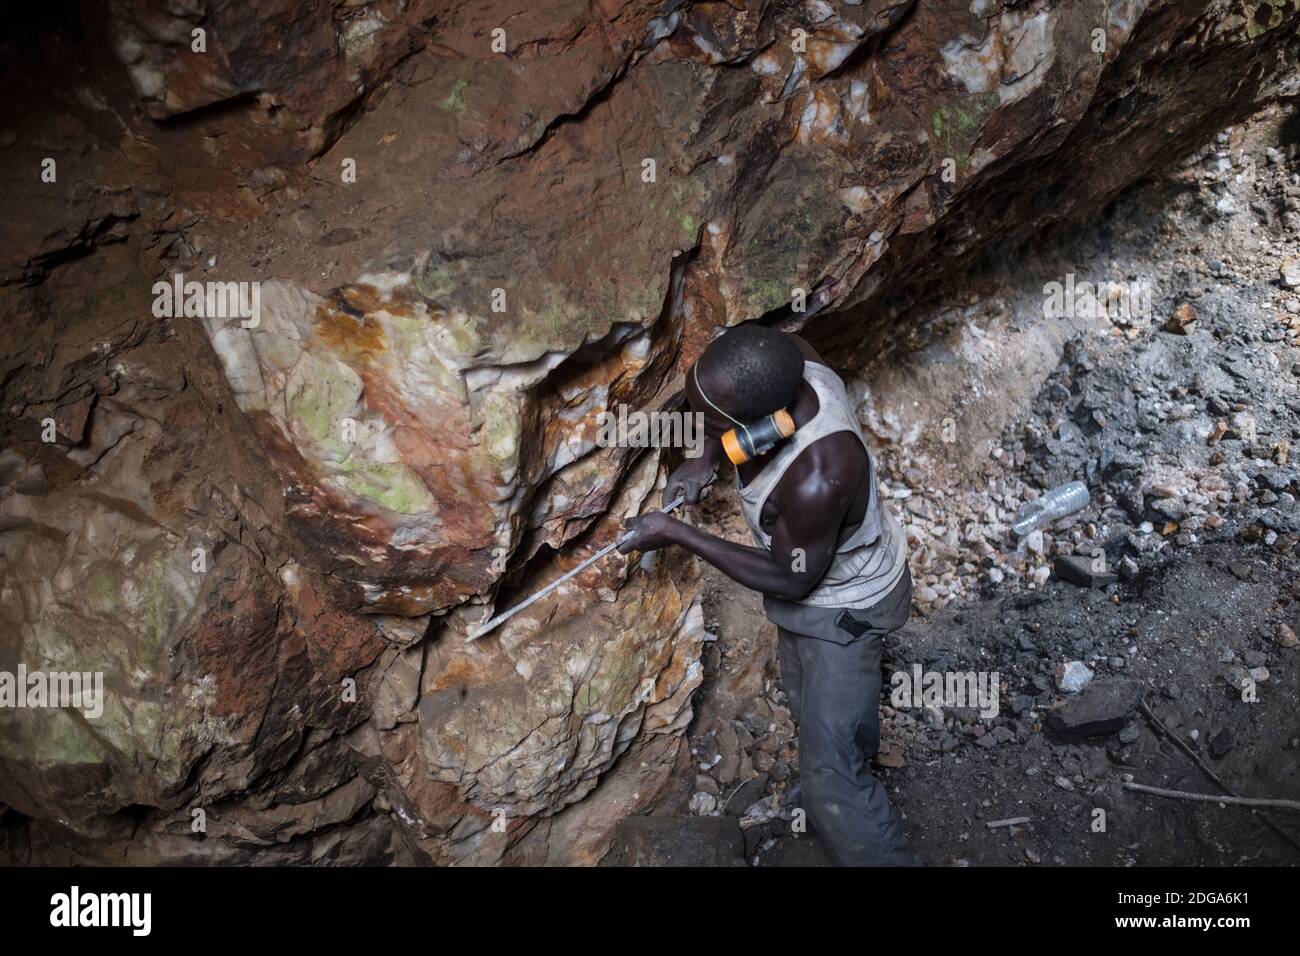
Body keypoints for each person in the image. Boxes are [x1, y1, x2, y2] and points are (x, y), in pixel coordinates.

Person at [618, 324, 920, 866]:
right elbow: (730, 414)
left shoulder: (817, 476)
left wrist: (679, 535)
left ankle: (845, 804)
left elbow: (792, 578)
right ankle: (840, 765)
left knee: (831, 775)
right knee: (810, 704)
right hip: (814, 598)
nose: (702, 428)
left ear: (750, 420)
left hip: (846, 609)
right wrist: (706, 458)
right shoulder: (789, 360)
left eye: (712, 424)